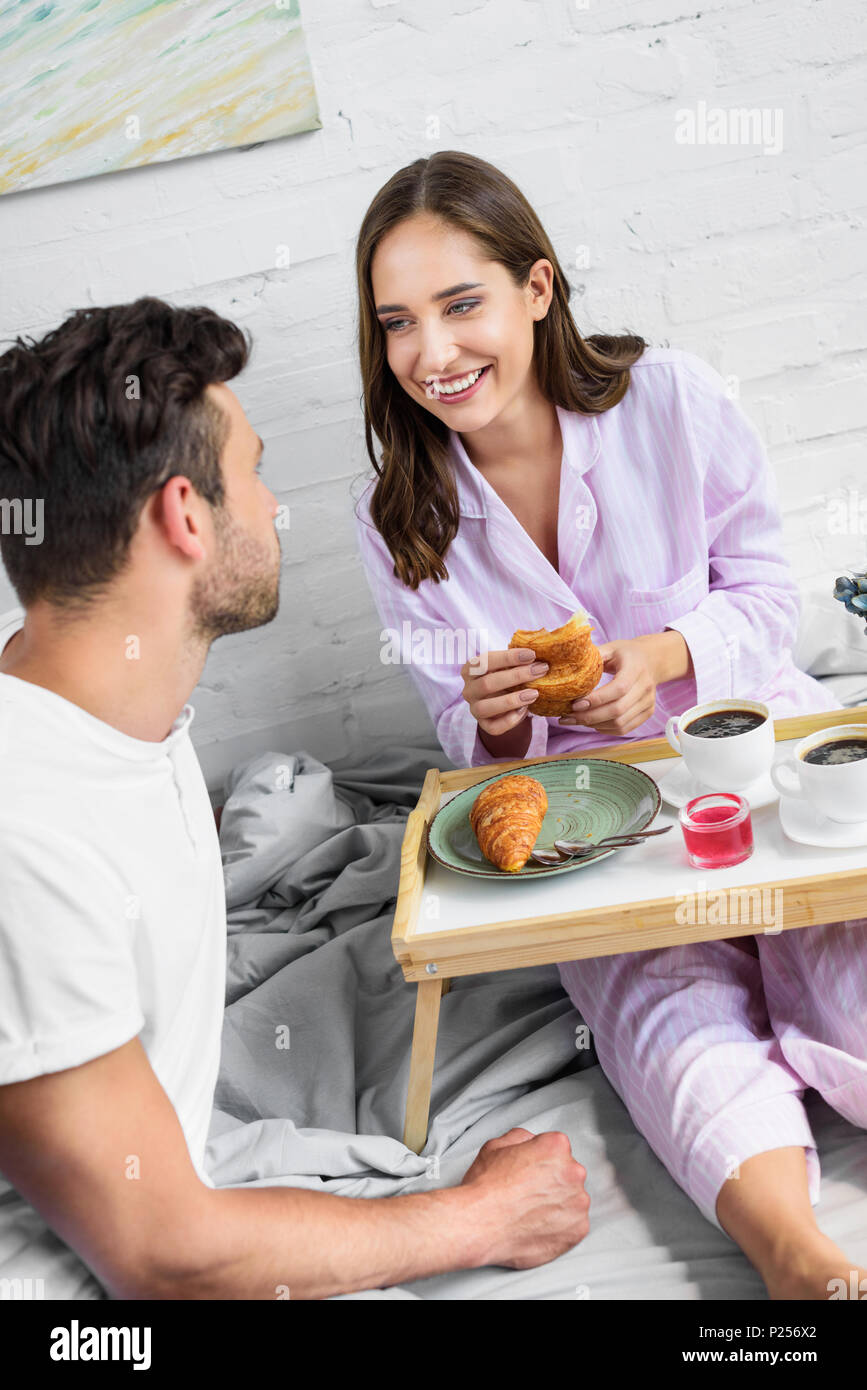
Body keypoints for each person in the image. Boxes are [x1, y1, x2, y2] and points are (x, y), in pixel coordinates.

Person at [0, 297, 590, 1301]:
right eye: (254, 471)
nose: (274, 506)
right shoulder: (29, 833)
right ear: (186, 515)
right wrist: (482, 1214)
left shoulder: (108, 706)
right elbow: (161, 1254)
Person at [352, 150, 867, 1299]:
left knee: (847, 961)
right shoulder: (395, 519)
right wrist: (492, 732)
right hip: (596, 818)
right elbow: (461, 734)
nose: (432, 353)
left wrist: (669, 655)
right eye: (397, 322)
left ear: (538, 289)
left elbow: (772, 595)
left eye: (461, 304)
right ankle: (806, 1264)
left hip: (755, 743)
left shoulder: (673, 398)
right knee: (663, 1015)